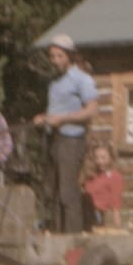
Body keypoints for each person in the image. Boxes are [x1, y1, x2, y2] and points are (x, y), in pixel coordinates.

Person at [32, 34, 99, 233]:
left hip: (71, 140)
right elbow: (56, 112)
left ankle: (73, 243)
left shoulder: (82, 79)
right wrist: (44, 117)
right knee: (51, 191)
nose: (55, 61)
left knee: (67, 193)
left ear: (69, 56)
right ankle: (57, 238)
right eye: (52, 56)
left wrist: (62, 119)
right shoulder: (54, 81)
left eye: (59, 56)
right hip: (53, 139)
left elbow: (91, 111)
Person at [82, 142, 124, 228]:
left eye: (103, 158)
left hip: (99, 216)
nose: (99, 162)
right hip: (85, 213)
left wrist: (117, 226)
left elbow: (116, 203)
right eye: (97, 158)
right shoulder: (91, 176)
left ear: (111, 158)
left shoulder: (115, 177)